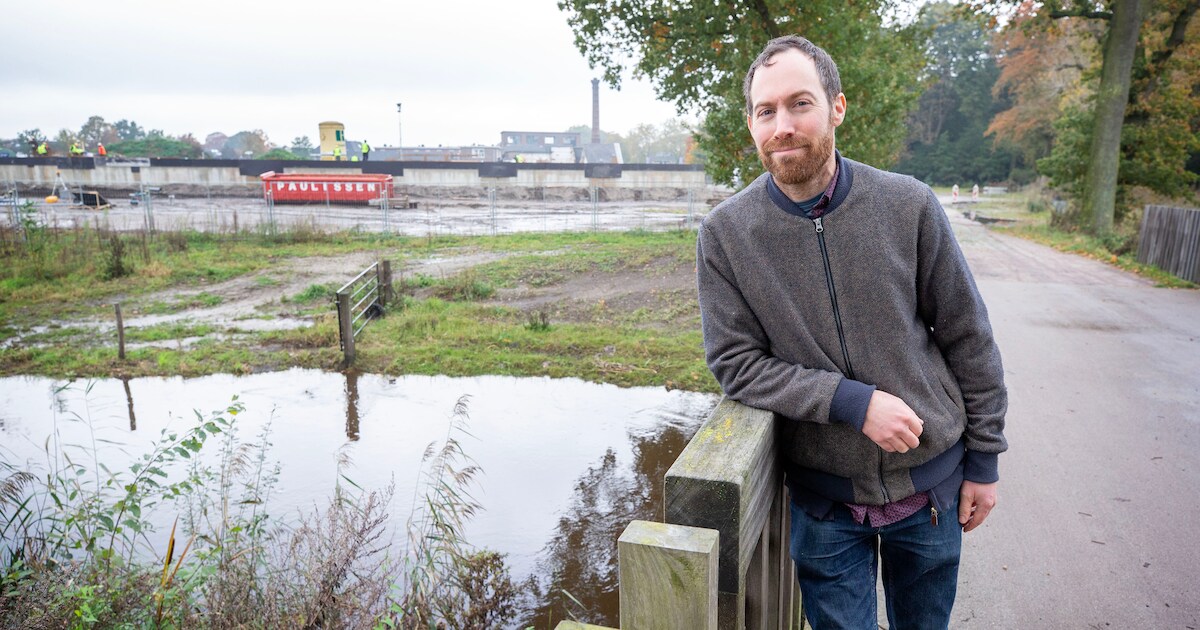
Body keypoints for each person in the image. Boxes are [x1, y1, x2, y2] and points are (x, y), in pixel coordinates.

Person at [696, 35, 1007, 629]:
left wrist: (985, 462)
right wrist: (850, 402)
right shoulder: (726, 235)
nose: (782, 125)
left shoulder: (908, 205)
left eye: (800, 104)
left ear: (837, 107)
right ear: (751, 123)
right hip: (825, 504)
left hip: (933, 489)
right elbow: (735, 362)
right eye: (766, 111)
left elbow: (969, 335)